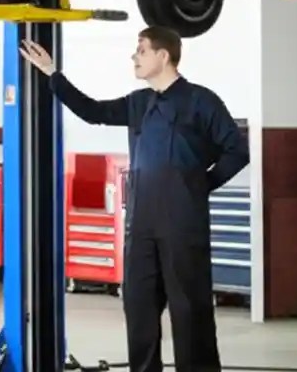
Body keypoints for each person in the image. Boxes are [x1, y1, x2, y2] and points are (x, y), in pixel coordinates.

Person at [20, 26, 248, 372]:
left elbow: (237, 150)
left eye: (141, 50)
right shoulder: (138, 103)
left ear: (163, 55)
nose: (134, 57)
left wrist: (199, 185)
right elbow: (93, 111)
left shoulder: (201, 101)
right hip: (140, 223)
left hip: (183, 223)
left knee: (189, 309)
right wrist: (54, 75)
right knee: (139, 307)